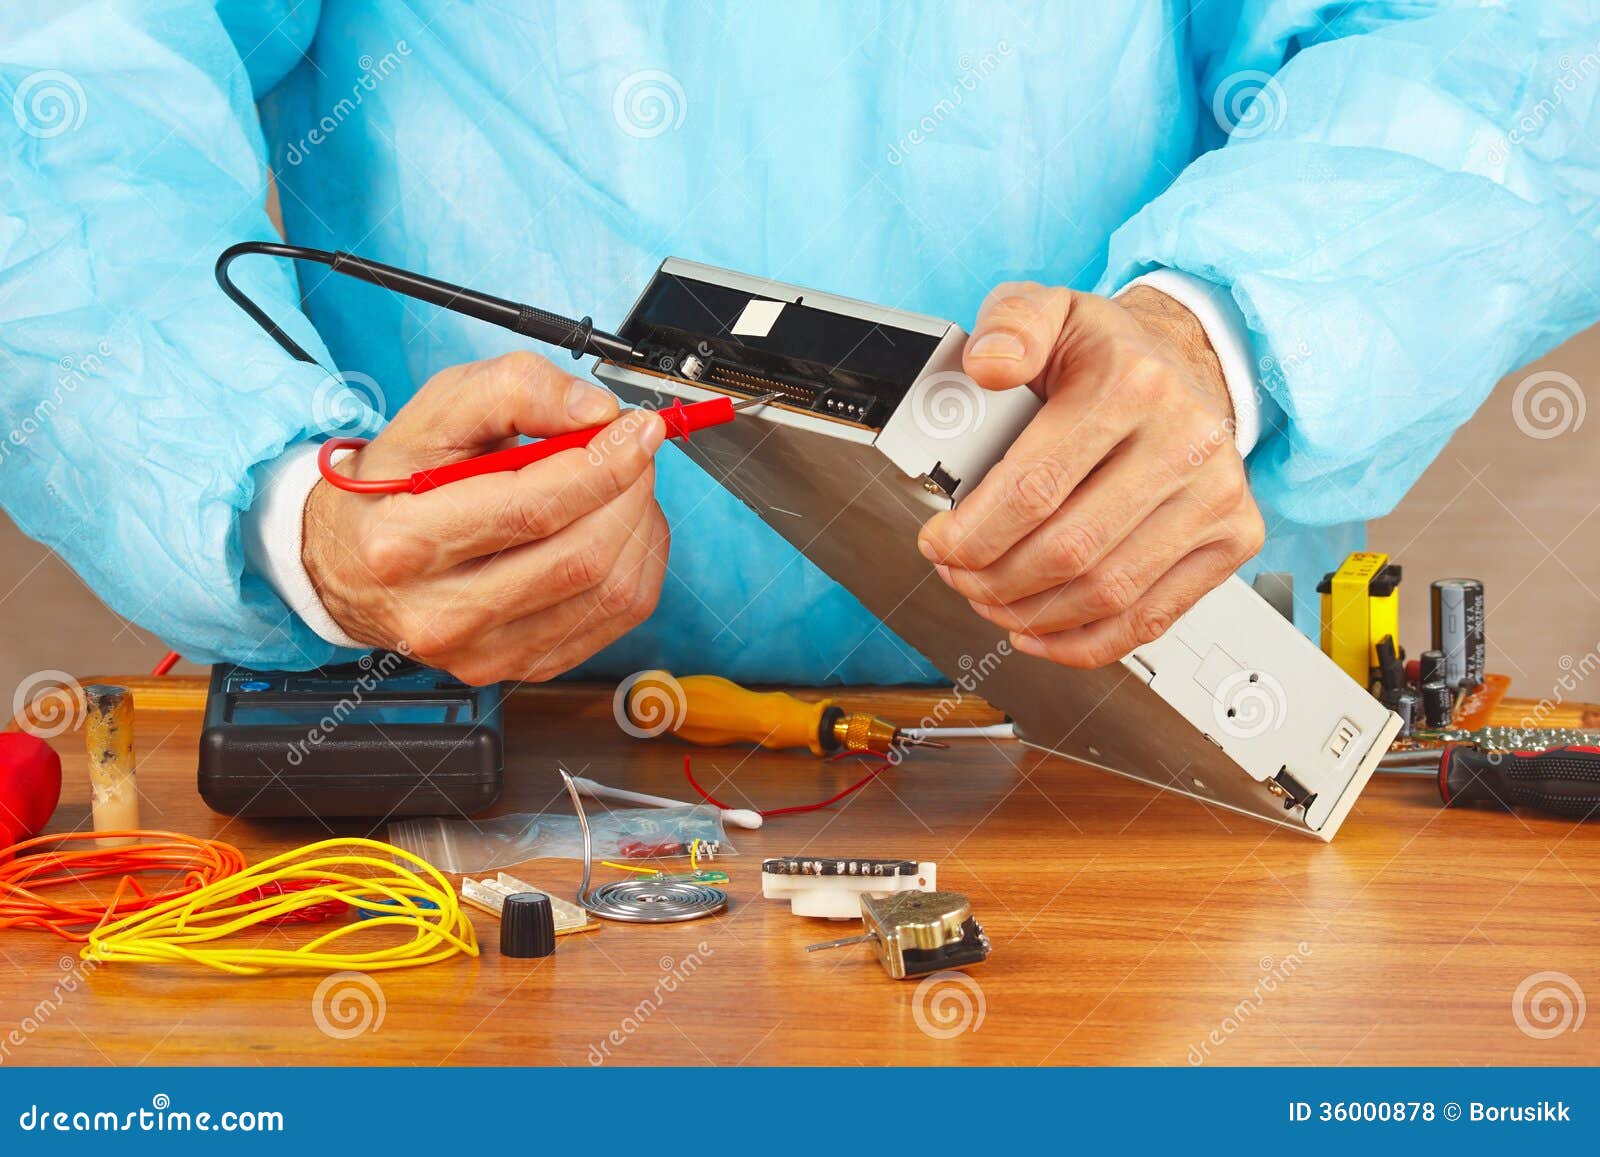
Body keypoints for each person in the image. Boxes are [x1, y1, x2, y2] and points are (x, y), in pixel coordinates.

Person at [3, 3, 1597, 687]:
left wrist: (1220, 339)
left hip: (1128, 730)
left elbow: (1485, 41)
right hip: (460, 749)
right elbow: (51, 106)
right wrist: (295, 511)